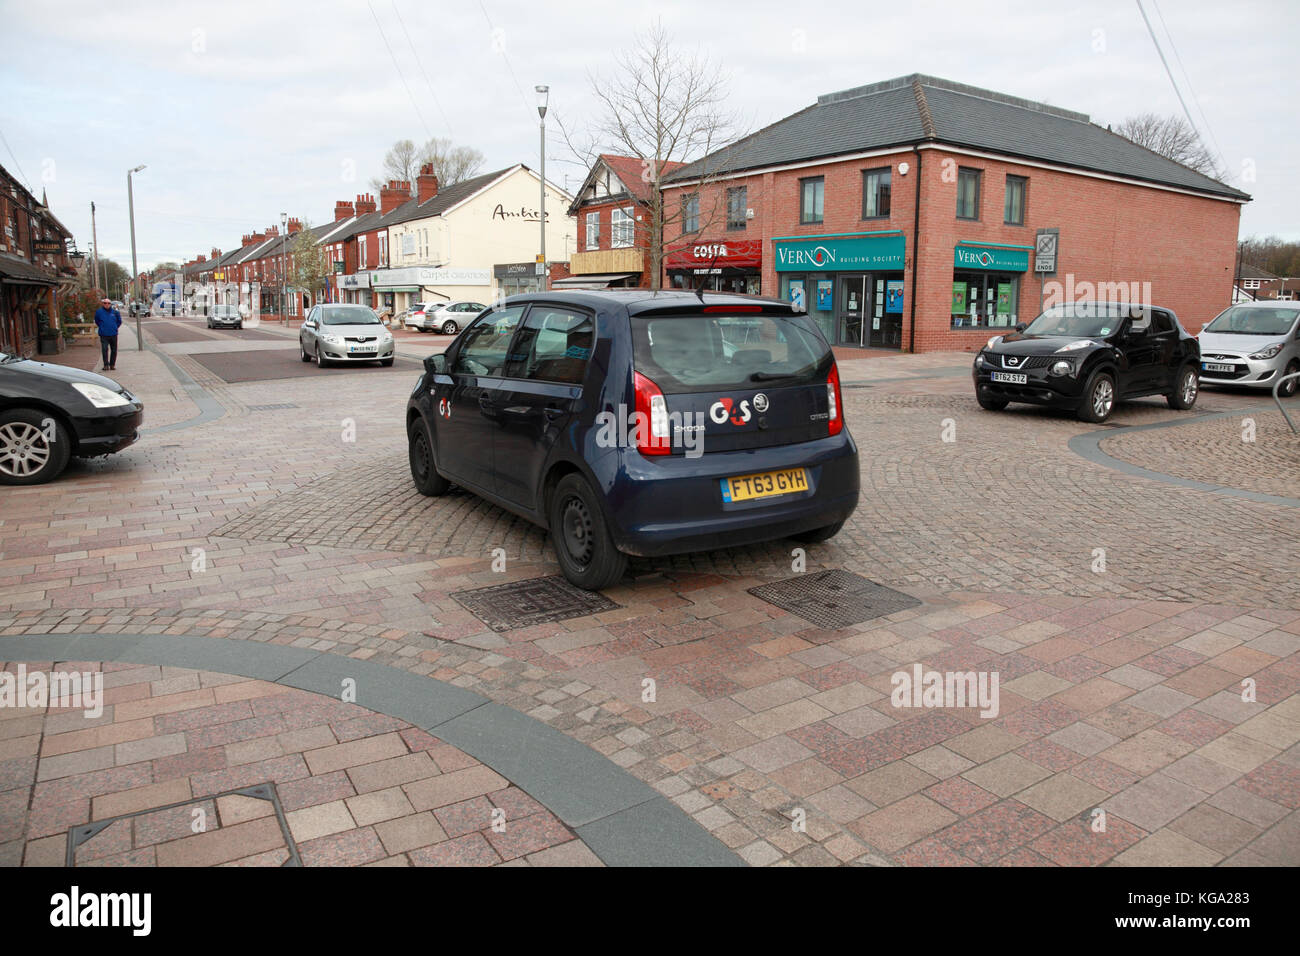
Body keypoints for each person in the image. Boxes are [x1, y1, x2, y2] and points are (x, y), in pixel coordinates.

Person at [93, 297, 122, 370]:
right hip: (104, 334)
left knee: (114, 350)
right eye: (105, 303)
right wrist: (102, 326)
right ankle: (106, 365)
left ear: (111, 304)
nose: (107, 304)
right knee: (104, 349)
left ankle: (112, 365)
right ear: (103, 304)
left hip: (113, 334)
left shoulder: (115, 312)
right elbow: (97, 321)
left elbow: (119, 321)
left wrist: (115, 327)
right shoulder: (99, 312)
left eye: (108, 303)